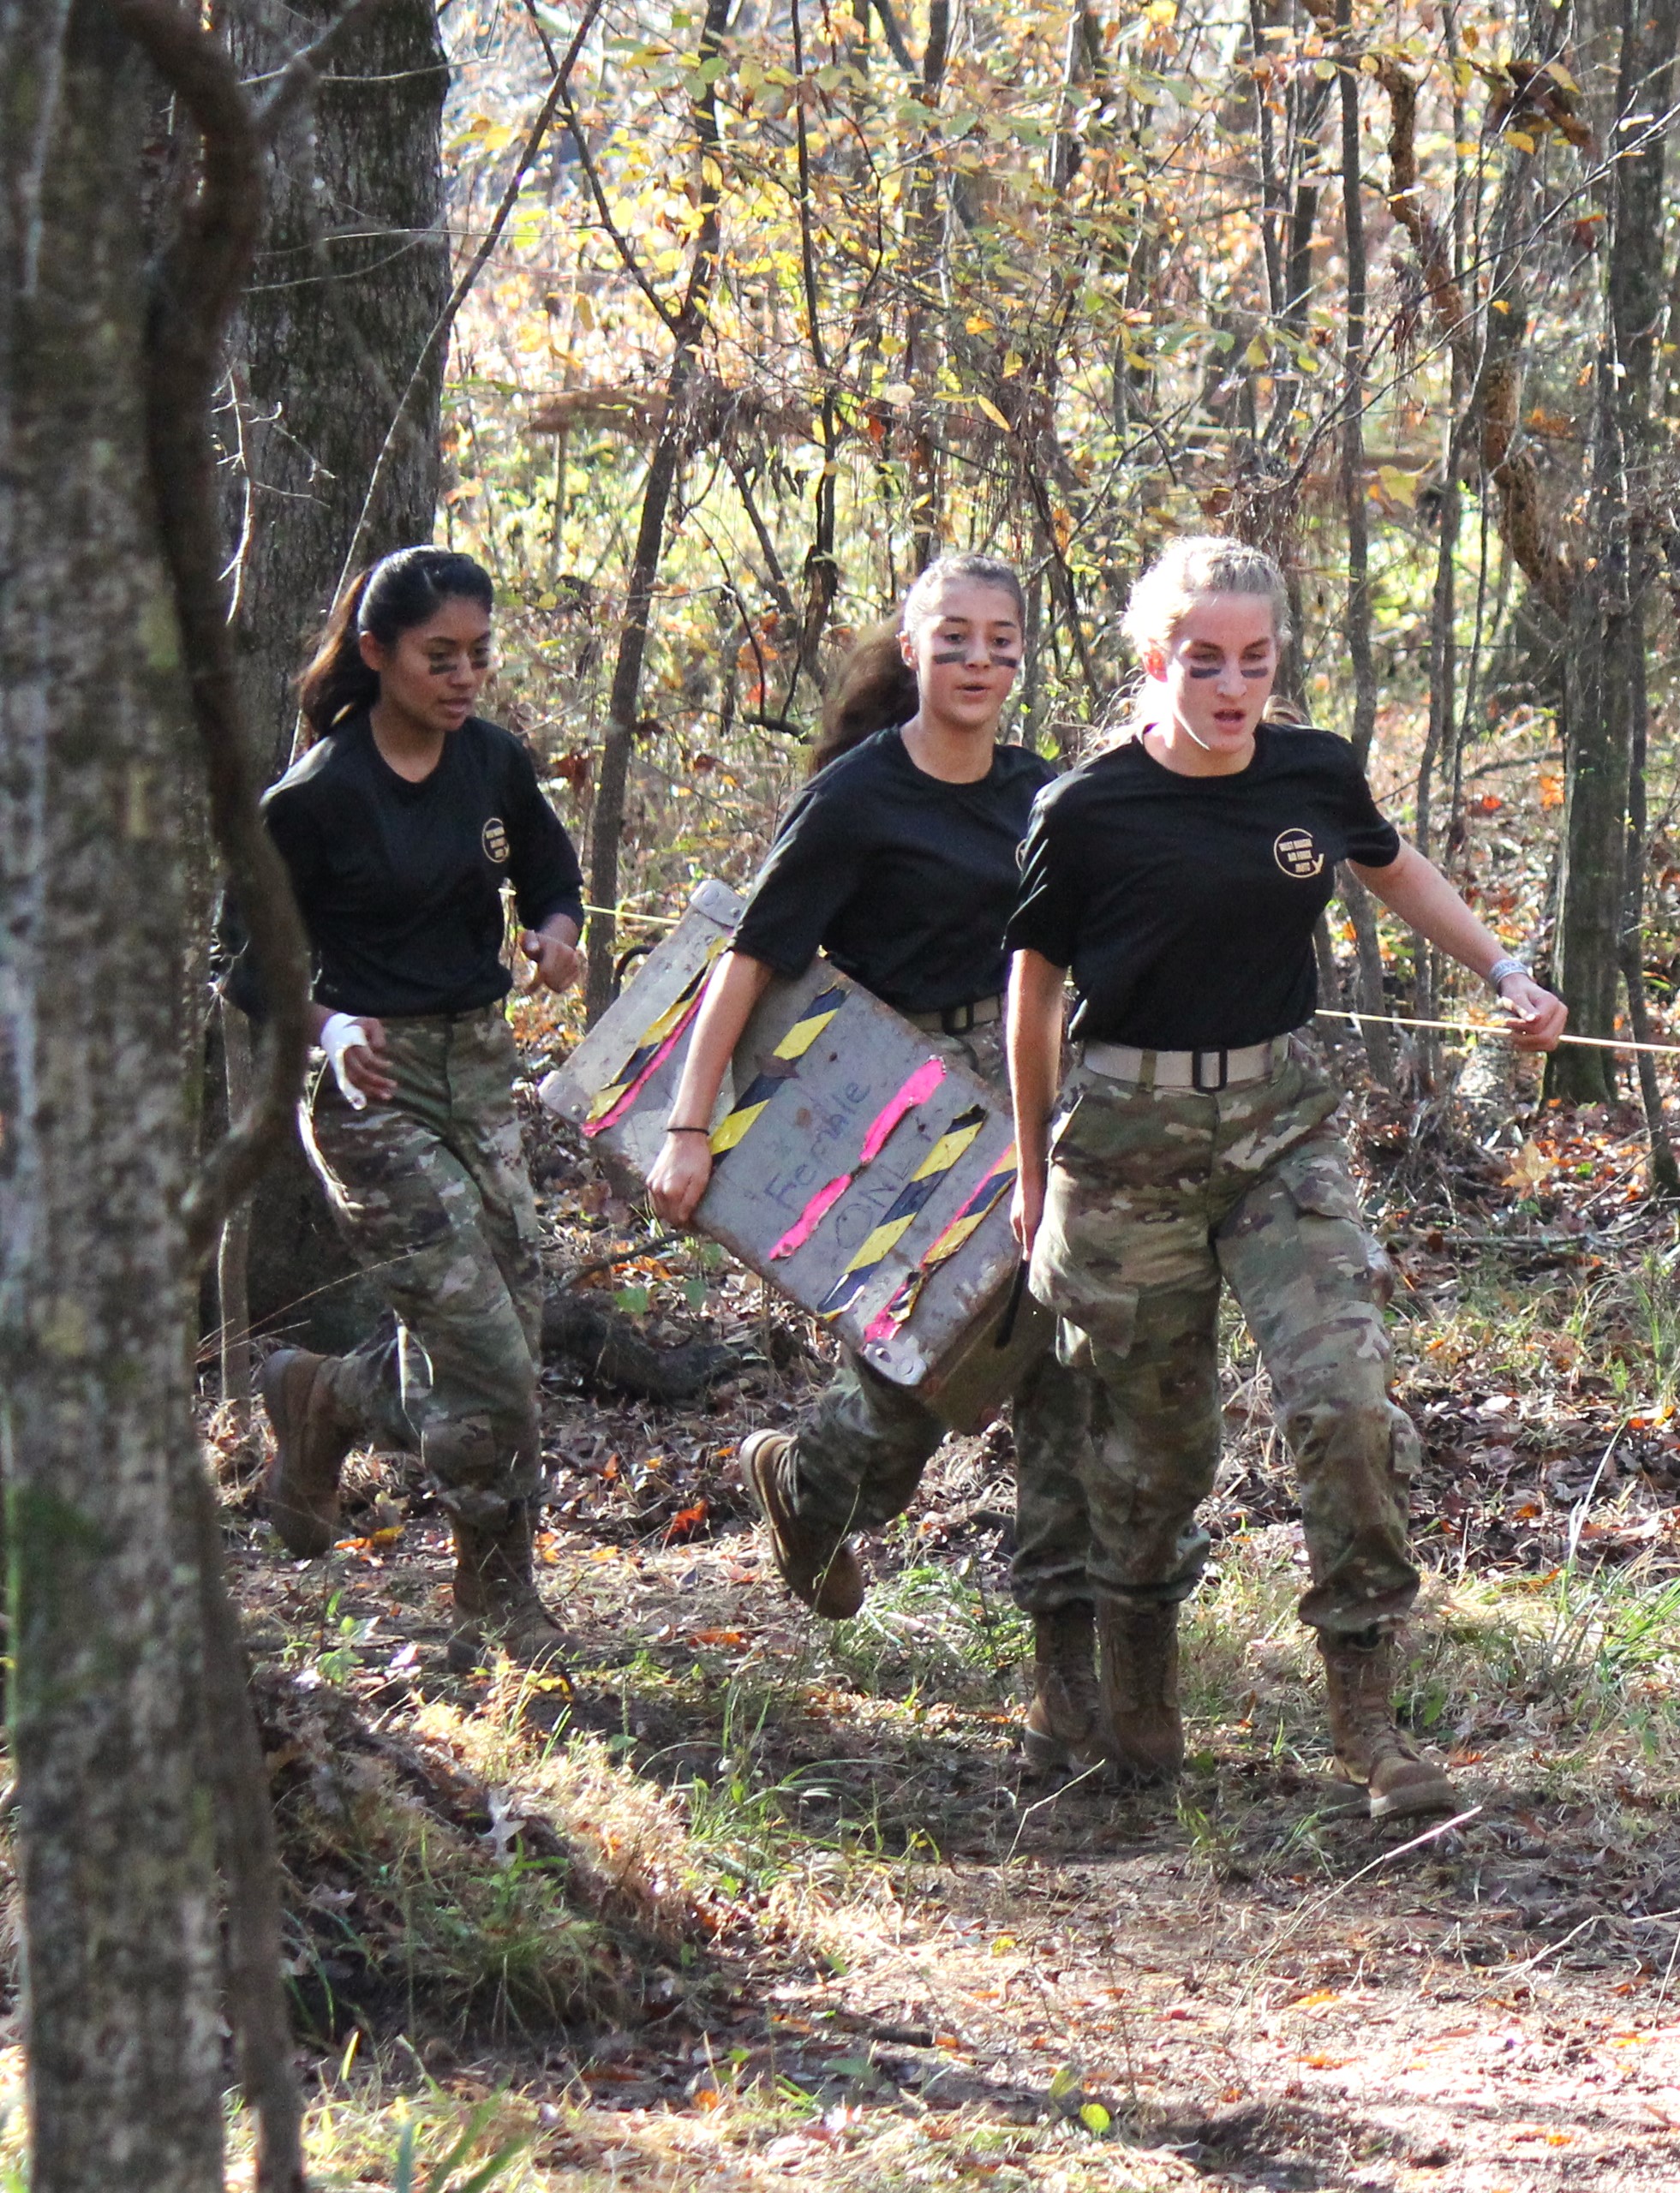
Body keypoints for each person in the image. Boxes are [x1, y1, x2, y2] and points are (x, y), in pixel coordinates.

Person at [1006, 535, 1567, 1819]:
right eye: (1203, 661)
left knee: (1345, 1399)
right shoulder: (1083, 809)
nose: (1229, 685)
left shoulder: (1309, 772)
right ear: (1157, 662)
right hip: (1124, 1144)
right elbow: (1031, 996)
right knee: (1153, 1447)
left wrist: (1503, 974)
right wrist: (1031, 1167)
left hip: (1279, 1127)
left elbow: (1394, 867)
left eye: (1253, 661)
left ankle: (1364, 1715)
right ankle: (1134, 1672)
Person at [649, 554, 1101, 1772]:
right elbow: (751, 961)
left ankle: (1069, 1666)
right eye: (952, 637)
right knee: (944, 1352)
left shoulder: (1042, 792)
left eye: (999, 640)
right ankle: (813, 1481)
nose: (977, 660)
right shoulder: (856, 795)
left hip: (1028, 1087)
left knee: (1062, 1346)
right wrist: (687, 1130)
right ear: (911, 648)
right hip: (891, 1105)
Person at [244, 546, 584, 1670]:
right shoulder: (317, 797)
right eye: (440, 657)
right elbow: (249, 963)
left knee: (504, 1322)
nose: (463, 678)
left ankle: (325, 1401)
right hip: (367, 1093)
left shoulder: (491, 761)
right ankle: (496, 1588)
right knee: (486, 1349)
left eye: (479, 655)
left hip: (479, 1071)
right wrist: (334, 1031)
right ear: (378, 654)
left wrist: (555, 932)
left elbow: (547, 866)